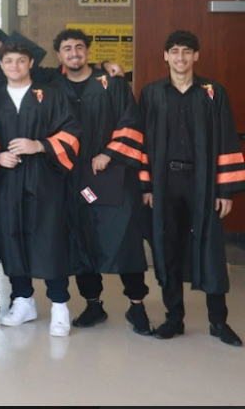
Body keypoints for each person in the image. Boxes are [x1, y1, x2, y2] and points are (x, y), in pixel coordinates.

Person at [138, 30, 241, 346]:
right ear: (165, 56)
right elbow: (141, 142)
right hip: (164, 182)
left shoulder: (213, 92)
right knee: (166, 247)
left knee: (210, 249)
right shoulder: (152, 93)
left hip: (203, 184)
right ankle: (174, 319)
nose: (180, 57)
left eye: (186, 51)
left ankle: (218, 322)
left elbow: (227, 139)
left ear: (196, 56)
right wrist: (146, 185)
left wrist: (225, 190)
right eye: (174, 51)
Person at [49, 29, 152, 334]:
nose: (74, 53)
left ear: (88, 51)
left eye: (79, 47)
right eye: (67, 48)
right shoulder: (53, 86)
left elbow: (131, 123)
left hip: (113, 173)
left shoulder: (112, 83)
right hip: (72, 177)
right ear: (59, 55)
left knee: (124, 240)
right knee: (81, 241)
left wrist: (109, 152)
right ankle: (93, 305)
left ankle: (137, 307)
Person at [0, 38, 81, 337]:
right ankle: (23, 300)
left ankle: (59, 305)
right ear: (1, 65)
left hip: (45, 180)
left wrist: (40, 145)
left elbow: (72, 133)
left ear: (30, 63)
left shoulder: (51, 96)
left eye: (20, 60)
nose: (14, 66)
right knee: (11, 238)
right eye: (8, 61)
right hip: (7, 182)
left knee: (49, 240)